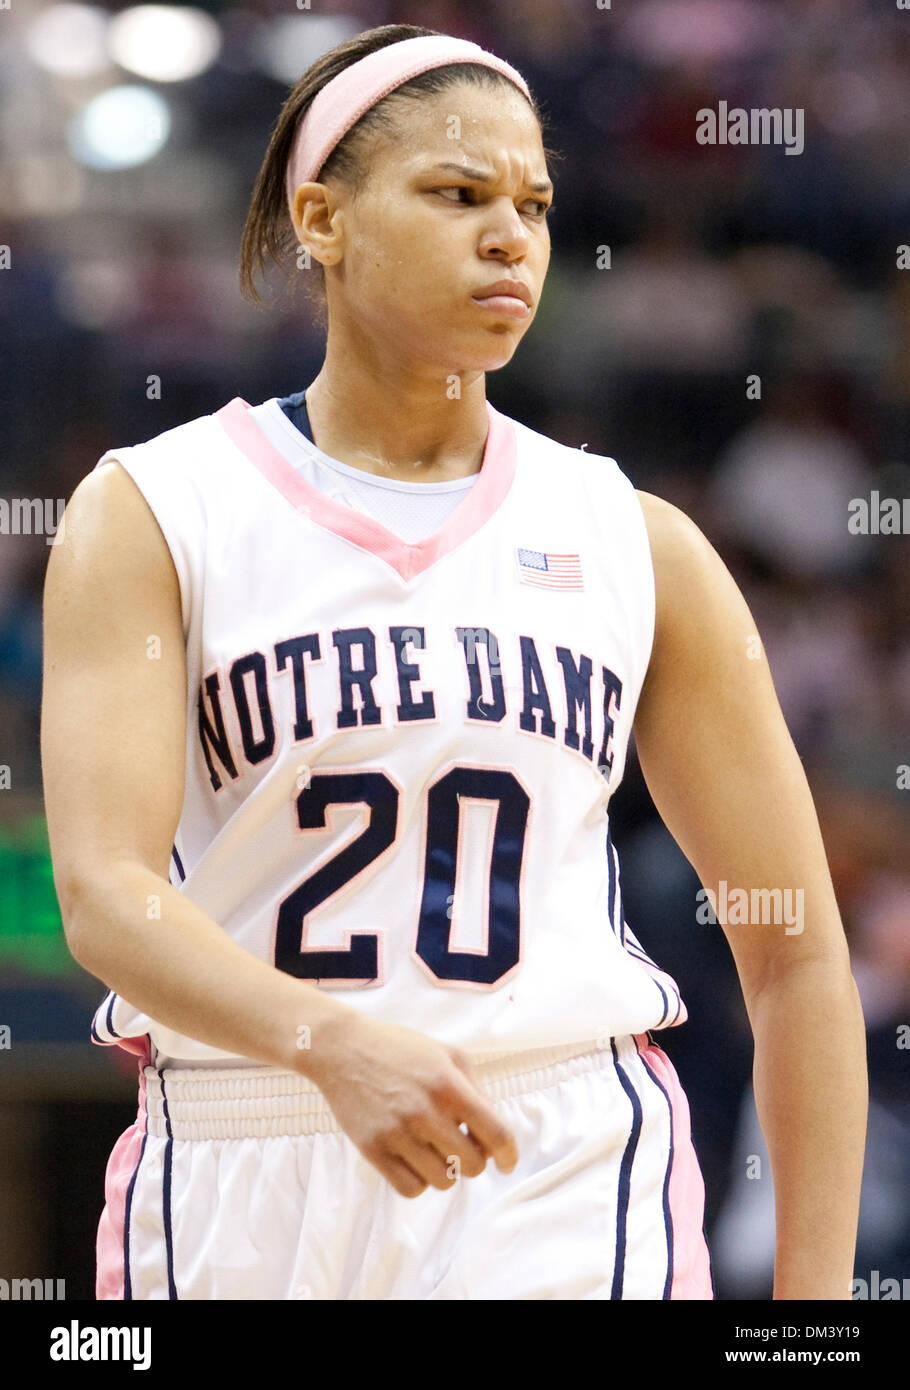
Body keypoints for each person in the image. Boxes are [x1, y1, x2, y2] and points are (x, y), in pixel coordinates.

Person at [41, 24, 866, 1301]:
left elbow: (798, 953)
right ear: (322, 218)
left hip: (556, 1156)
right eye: (458, 193)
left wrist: (812, 1319)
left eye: (534, 204)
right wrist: (328, 1043)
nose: (511, 237)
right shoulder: (154, 509)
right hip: (240, 1153)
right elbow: (102, 892)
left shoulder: (635, 541)